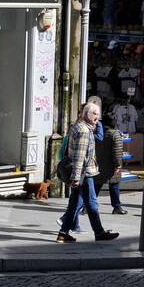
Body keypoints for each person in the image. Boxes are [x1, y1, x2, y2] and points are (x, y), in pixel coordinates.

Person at [56, 102, 119, 243]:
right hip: (85, 173)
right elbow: (79, 156)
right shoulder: (84, 131)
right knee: (91, 203)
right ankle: (99, 232)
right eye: (94, 114)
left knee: (74, 203)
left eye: (98, 114)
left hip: (82, 172)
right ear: (86, 114)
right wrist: (76, 177)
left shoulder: (78, 126)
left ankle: (63, 233)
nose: (97, 117)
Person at [94, 116, 127, 215]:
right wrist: (118, 165)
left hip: (99, 162)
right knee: (114, 185)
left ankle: (87, 206)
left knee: (97, 184)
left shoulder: (99, 133)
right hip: (111, 164)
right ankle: (117, 207)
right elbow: (117, 151)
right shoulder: (115, 134)